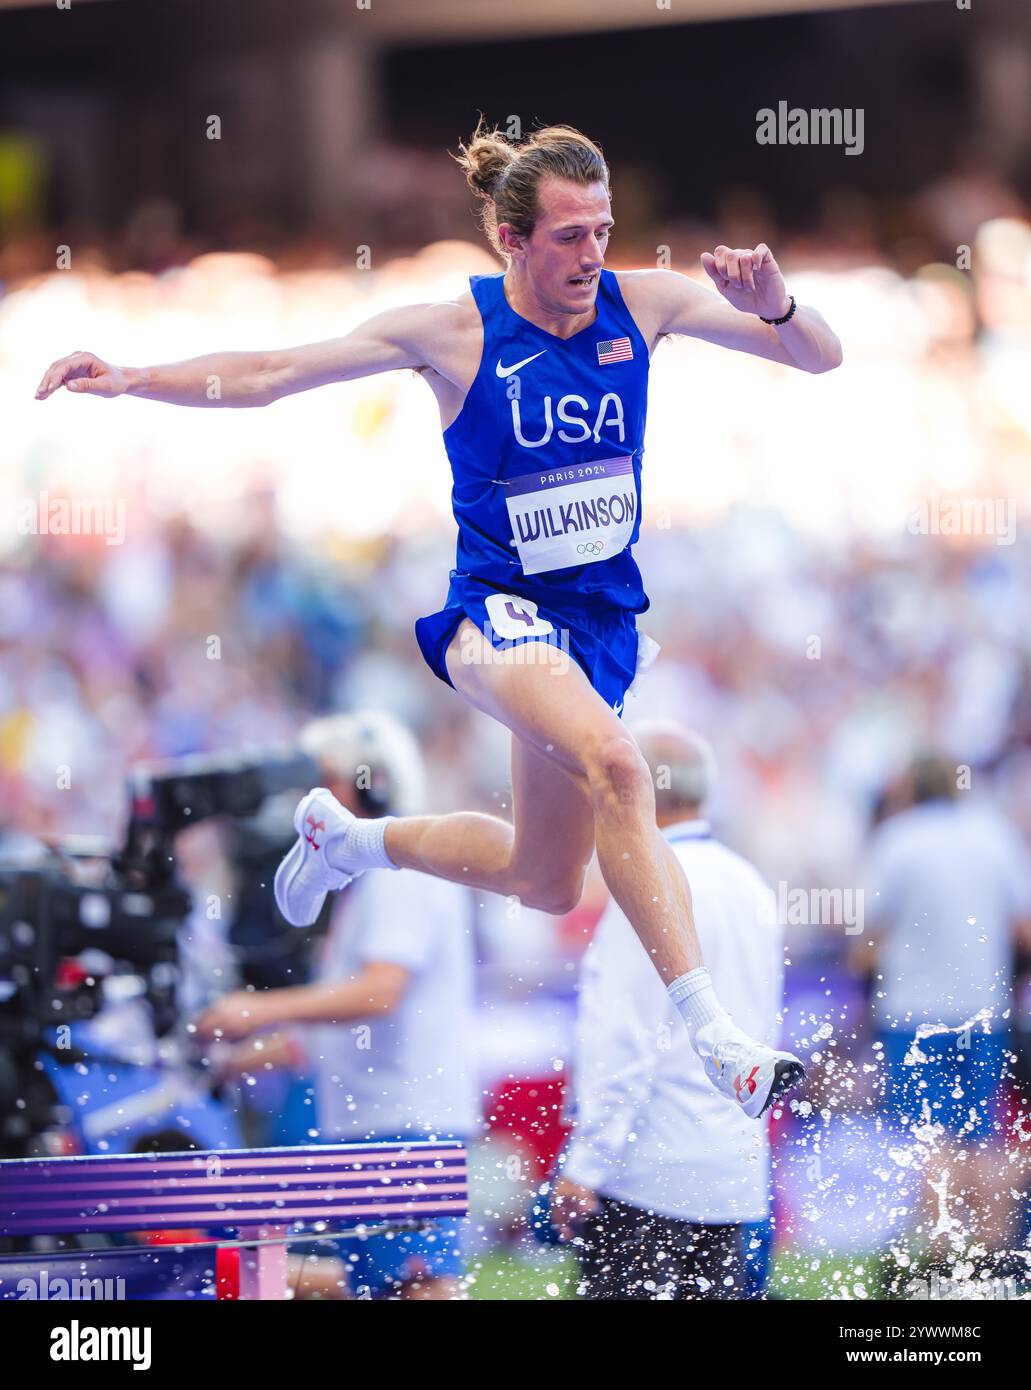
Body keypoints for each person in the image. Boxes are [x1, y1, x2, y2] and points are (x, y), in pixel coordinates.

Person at [36, 121, 843, 1116]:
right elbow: (272, 372)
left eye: (601, 230)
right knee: (622, 766)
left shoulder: (647, 302)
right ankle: (714, 1032)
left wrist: (778, 305)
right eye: (566, 237)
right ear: (510, 240)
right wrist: (133, 378)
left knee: (544, 879)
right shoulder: (451, 333)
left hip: (596, 625)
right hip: (492, 615)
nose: (591, 255)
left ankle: (350, 842)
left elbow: (818, 359)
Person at [195, 710, 478, 1300]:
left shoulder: (402, 871)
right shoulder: (372, 876)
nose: (307, 799)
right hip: (379, 1123)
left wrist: (259, 1009)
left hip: (403, 1124)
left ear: (368, 783)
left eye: (323, 780)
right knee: (371, 1284)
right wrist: (235, 1056)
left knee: (419, 1287)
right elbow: (332, 1032)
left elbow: (379, 992)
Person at [551, 720, 784, 1299]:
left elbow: (623, 1038)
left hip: (648, 1171)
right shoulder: (750, 884)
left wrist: (586, 1165)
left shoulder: (644, 882)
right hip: (730, 1173)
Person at [856, 753, 1031, 1266]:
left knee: (928, 1136)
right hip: (984, 1009)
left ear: (910, 786)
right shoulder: (995, 835)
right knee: (980, 1134)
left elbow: (868, 932)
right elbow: (1022, 926)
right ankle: (990, 1256)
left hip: (914, 1012)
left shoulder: (899, 838)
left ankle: (939, 1259)